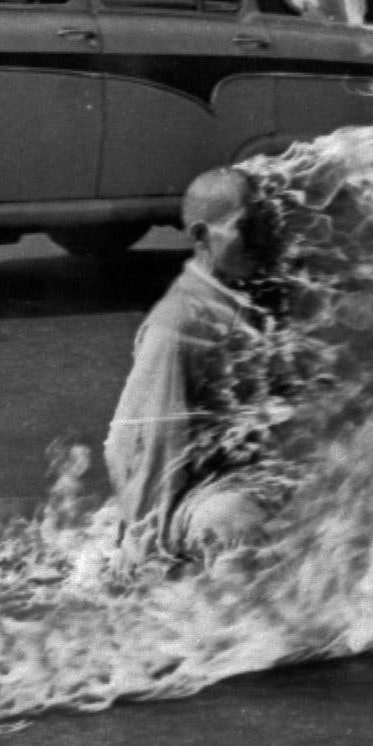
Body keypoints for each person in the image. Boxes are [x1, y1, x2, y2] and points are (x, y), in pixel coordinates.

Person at [103, 167, 279, 563]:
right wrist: (145, 549)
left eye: (265, 225)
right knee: (236, 522)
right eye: (245, 229)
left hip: (236, 474)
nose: (262, 241)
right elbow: (139, 446)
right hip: (193, 500)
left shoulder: (241, 299)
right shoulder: (178, 325)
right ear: (201, 236)